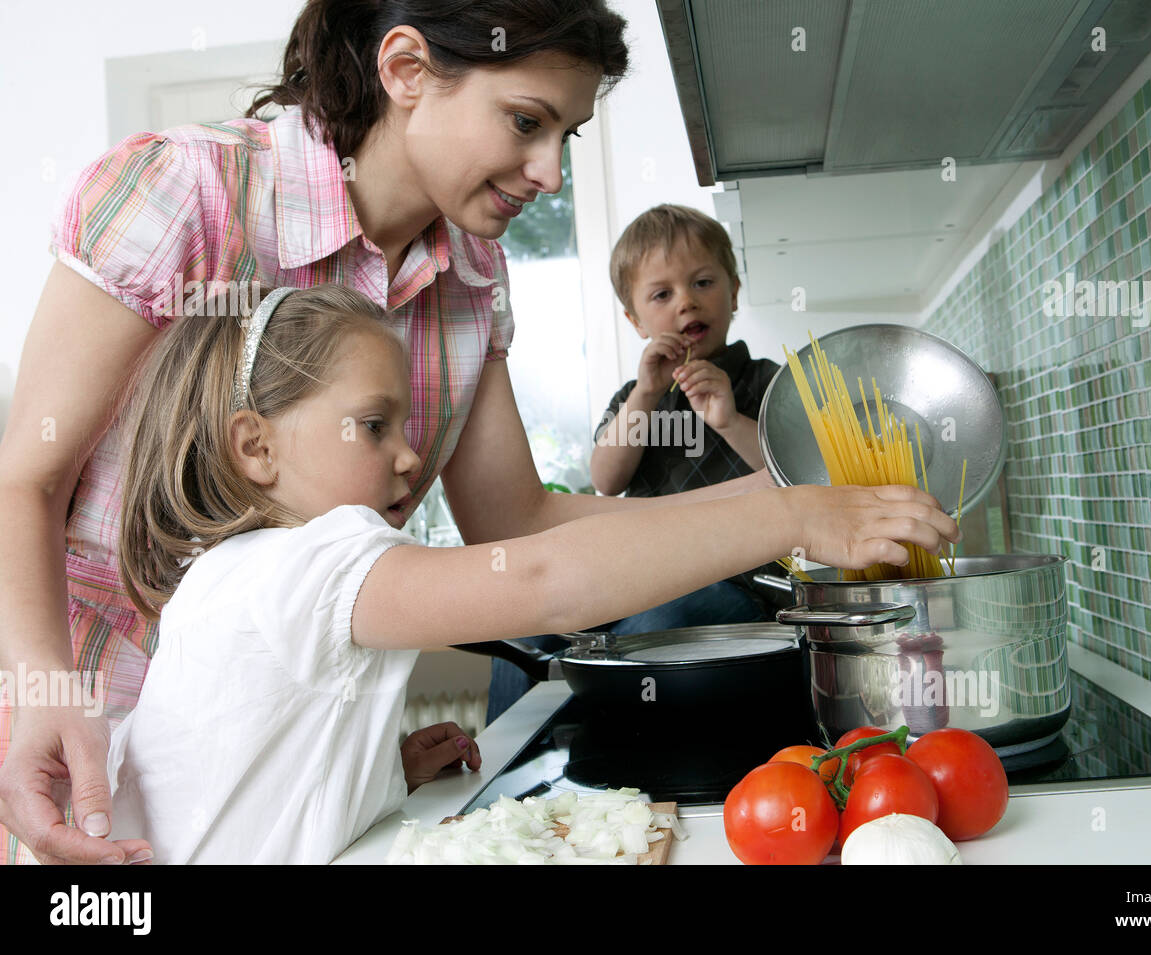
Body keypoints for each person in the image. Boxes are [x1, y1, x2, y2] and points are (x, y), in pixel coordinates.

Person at [0, 0, 957, 865]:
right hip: (88, 763)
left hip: (282, 795)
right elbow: (24, 479)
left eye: (567, 136)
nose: (549, 171)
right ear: (408, 70)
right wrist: (41, 698)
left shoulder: (471, 275)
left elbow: (519, 526)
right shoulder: (186, 190)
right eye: (526, 122)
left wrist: (794, 500)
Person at [108, 284, 487, 863]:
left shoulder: (231, 570)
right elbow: (537, 582)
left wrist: (385, 776)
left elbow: (253, 797)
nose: (410, 457)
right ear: (257, 446)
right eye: (374, 425)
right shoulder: (307, 562)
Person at [485, 204, 781, 719]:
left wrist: (730, 420)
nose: (687, 302)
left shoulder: (765, 382)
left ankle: (616, 758)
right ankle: (507, 770)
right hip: (639, 571)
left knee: (652, 620)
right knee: (519, 620)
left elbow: (794, 475)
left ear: (733, 290)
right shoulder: (636, 395)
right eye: (662, 295)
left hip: (736, 587)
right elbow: (606, 478)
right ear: (635, 319)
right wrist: (646, 393)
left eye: (704, 282)